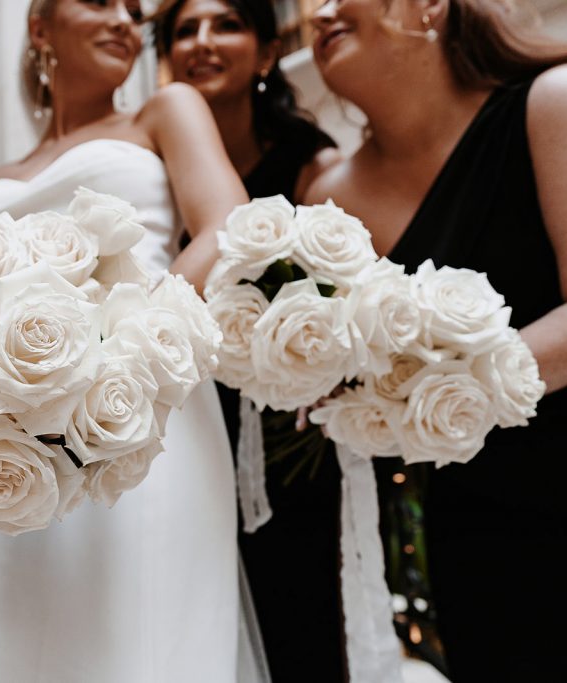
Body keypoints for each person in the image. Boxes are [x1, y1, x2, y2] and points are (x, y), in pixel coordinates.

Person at [0, 1, 264, 681]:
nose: (126, 21)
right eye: (101, 1)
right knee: (15, 635)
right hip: (18, 433)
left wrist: (116, 346)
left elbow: (225, 225)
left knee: (143, 630)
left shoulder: (166, 110)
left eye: (135, 11)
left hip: (144, 407)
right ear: (39, 27)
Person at [305, 1, 567, 679]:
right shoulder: (330, 200)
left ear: (429, 7)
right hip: (471, 534)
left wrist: (419, 394)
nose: (321, 11)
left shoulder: (550, 104)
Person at [156, 1, 345, 680]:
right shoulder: (156, 168)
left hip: (285, 442)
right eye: (185, 30)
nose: (202, 42)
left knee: (295, 625)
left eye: (226, 24)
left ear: (267, 53)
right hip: (182, 433)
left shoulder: (309, 164)